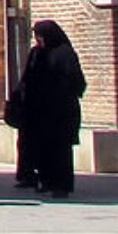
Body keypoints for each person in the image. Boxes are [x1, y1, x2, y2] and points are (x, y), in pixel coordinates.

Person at [15, 19, 87, 198]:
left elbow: (77, 82)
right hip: (39, 111)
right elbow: (28, 79)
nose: (38, 40)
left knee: (60, 149)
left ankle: (61, 185)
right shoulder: (37, 53)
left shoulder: (65, 54)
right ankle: (45, 180)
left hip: (61, 111)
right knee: (42, 147)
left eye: (40, 36)